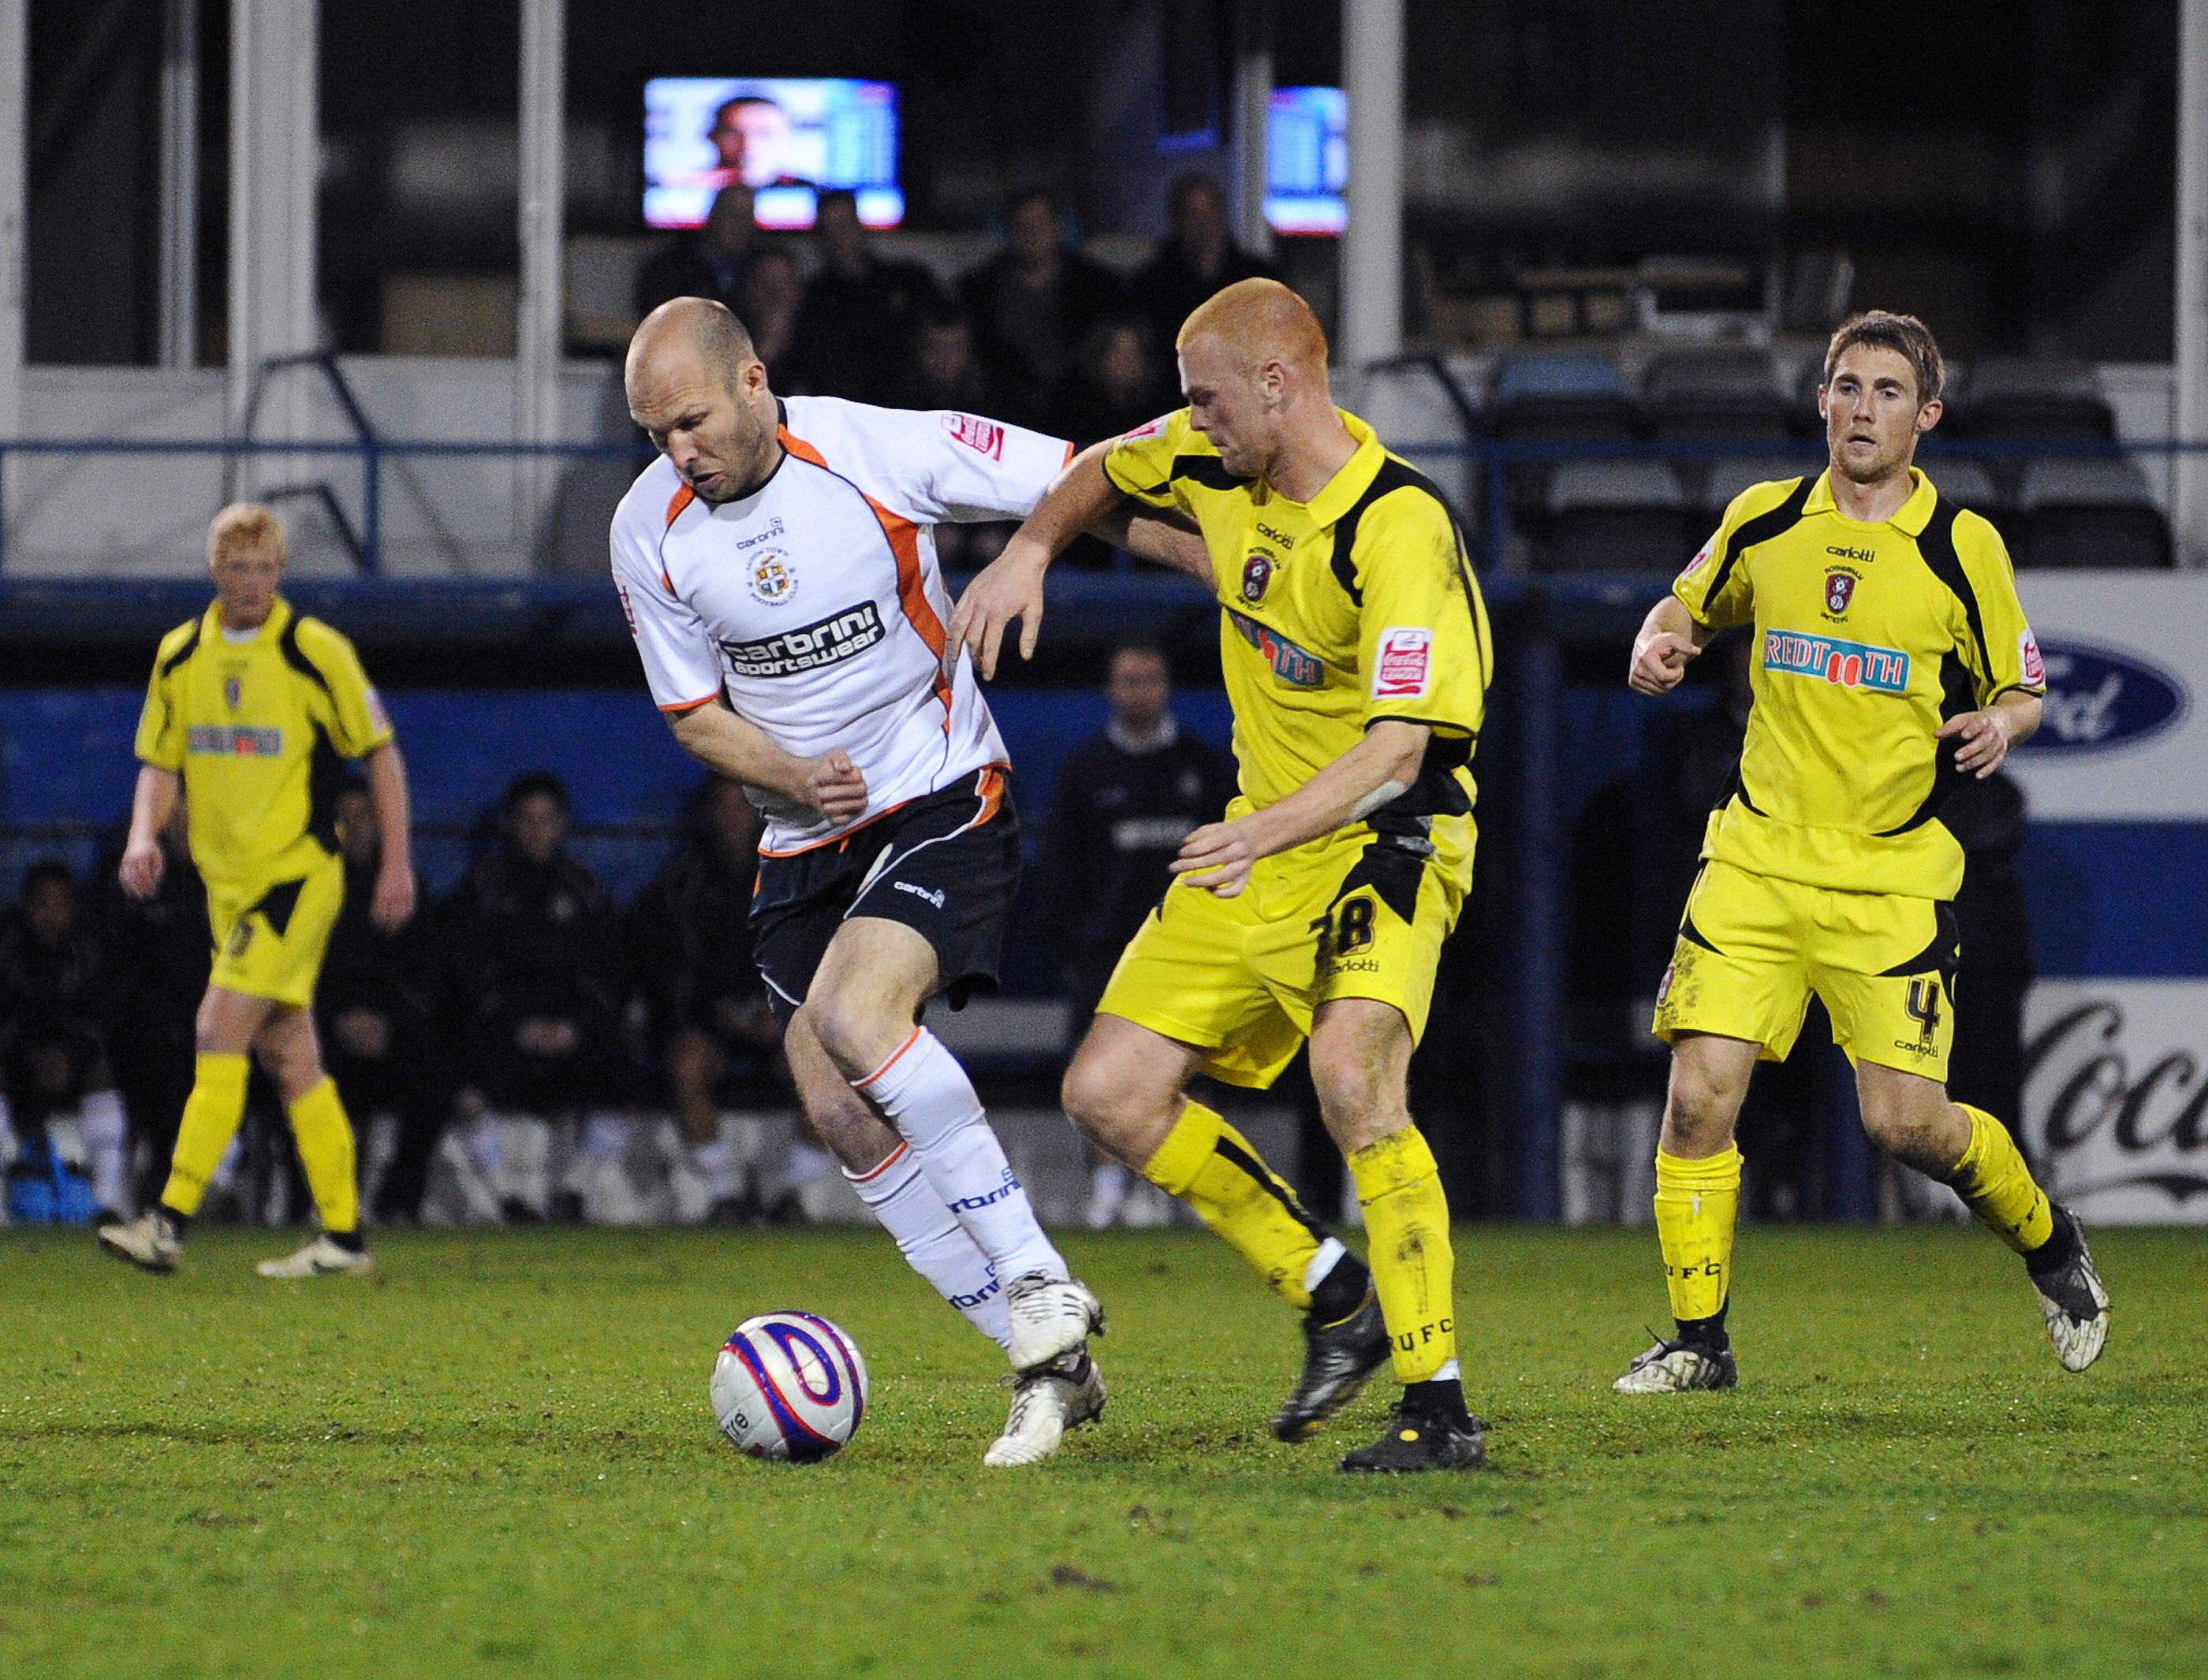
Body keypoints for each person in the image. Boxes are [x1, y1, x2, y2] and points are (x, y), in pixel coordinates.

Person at [612, 297, 1194, 1465]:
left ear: (755, 382)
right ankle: (1052, 1363)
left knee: (852, 1013)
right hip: (800, 832)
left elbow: (1083, 478)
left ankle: (1039, 1279)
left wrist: (1228, 561)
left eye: (689, 420)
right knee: (833, 1099)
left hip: (940, 793)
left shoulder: (881, 449)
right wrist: (789, 772)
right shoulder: (647, 529)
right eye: (653, 433)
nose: (678, 450)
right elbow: (692, 716)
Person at [953, 277, 1494, 1473]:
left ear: (1276, 383)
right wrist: (1034, 548)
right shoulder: (1224, 465)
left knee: (1352, 1073)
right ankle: (1331, 1290)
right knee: (1109, 1090)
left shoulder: (1400, 528)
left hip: (1383, 836)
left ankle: (1440, 1404)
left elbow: (1400, 748)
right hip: (1263, 839)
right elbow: (1103, 465)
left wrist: (1267, 831)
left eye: (1204, 401)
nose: (1188, 424)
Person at [1618, 309, 2109, 1393]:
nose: (1861, 408)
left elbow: (2022, 687)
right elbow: (1687, 602)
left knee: (1907, 1124)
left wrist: (2003, 722)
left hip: (1888, 877)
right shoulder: (1765, 515)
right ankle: (1701, 1341)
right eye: (1847, 386)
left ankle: (2045, 1237)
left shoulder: (1960, 545)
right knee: (1699, 1095)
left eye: (1888, 391)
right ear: (1822, 401)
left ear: (1926, 416)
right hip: (1755, 858)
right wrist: (1665, 637)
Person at [100, 503, 417, 1278]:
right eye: (238, 567)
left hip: (296, 878)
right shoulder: (181, 655)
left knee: (216, 1030)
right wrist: (145, 833)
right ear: (216, 570)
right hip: (228, 890)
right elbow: (161, 762)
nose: (252, 582)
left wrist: (397, 860)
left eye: (266, 568)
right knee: (290, 1055)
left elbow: (379, 753)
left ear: (280, 573)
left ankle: (168, 1222)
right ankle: (342, 1237)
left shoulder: (314, 650)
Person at [1041, 643, 1236, 1227]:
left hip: (1191, 946)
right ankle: (1107, 1191)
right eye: (1129, 679)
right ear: (1110, 688)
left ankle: (1199, 1187)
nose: (1140, 690)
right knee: (1101, 1070)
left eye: (1151, 678)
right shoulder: (1084, 770)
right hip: (1108, 949)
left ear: (1168, 686)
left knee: (1196, 1064)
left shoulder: (1204, 766)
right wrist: (1072, 943)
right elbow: (1060, 866)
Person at [442, 773, 632, 1224]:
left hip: (571, 1031)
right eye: (527, 820)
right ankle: (506, 1198)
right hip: (503, 1030)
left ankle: (574, 1191)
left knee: (625, 1070)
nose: (536, 831)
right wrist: (516, 1025)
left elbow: (609, 972)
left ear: (563, 824)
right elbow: (465, 974)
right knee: (458, 1074)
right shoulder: (482, 888)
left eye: (547, 820)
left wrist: (574, 1026)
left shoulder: (584, 888)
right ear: (509, 824)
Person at [627, 775, 784, 1220]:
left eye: (741, 806)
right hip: (712, 1028)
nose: (733, 817)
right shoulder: (682, 883)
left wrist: (783, 1015)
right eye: (723, 807)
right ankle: (724, 1193)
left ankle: (794, 1194)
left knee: (827, 1068)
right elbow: (665, 972)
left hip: (781, 1022)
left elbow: (815, 957)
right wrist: (714, 1016)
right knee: (686, 1064)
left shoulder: (788, 875)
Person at [318, 777, 453, 1224]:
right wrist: (337, 1017)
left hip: (393, 1032)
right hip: (327, 1029)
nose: (354, 829)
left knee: (433, 1068)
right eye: (344, 819)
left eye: (365, 817)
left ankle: (399, 1202)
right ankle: (317, 1205)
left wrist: (389, 1023)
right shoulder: (310, 885)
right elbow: (297, 969)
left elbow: (428, 973)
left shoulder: (406, 887)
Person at [0, 863, 129, 1220]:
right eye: (42, 903)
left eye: (61, 904)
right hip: (18, 1062)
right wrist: (30, 1054)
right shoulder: (9, 946)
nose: (51, 915)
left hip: (74, 1064)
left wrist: (69, 1055)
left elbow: (102, 1015)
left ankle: (106, 1202)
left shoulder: (90, 948)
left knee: (103, 1070)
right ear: (26, 906)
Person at [99, 799, 208, 1213]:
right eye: (175, 809)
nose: (183, 820)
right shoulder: (129, 873)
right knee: (146, 1058)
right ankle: (130, 1192)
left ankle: (206, 1186)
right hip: (139, 1026)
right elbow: (111, 959)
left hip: (204, 1023)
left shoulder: (221, 871)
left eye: (190, 809)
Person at [957, 189, 1125, 428]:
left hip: (1086, 412)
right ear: (1008, 229)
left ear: (1059, 226)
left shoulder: (1100, 286)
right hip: (1002, 413)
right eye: (1021, 225)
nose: (1031, 234)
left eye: (1039, 223)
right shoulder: (977, 290)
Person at [787, 188, 942, 404]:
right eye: (828, 229)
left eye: (844, 225)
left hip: (912, 410)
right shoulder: (812, 298)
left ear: (859, 227)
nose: (838, 237)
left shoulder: (907, 280)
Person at [1128, 172, 1277, 351]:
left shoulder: (1260, 279)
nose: (1203, 222)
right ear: (1178, 220)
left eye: (1210, 210)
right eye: (1192, 212)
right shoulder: (1153, 283)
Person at [636, 184, 757, 319]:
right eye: (732, 214)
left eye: (747, 216)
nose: (740, 225)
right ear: (713, 215)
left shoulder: (762, 270)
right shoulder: (668, 269)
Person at [704, 94, 807, 191]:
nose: (748, 146)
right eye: (733, 134)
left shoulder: (812, 192)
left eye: (763, 134)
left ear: (785, 139)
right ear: (713, 137)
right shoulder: (693, 190)